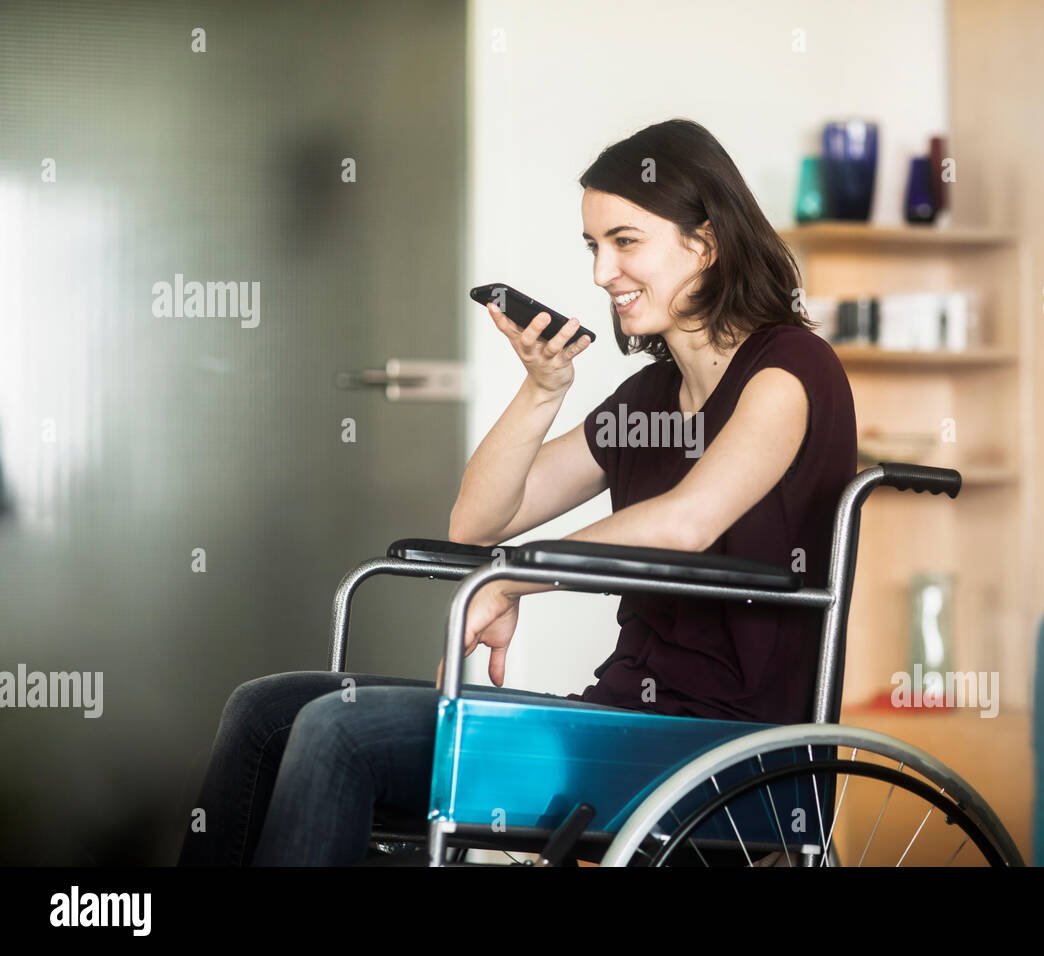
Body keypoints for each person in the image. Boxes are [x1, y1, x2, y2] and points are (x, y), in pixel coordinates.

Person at [177, 118, 856, 867]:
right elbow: (479, 520)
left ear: (705, 241)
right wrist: (542, 388)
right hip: (623, 724)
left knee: (341, 732)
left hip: (728, 752)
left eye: (625, 241)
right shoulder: (651, 397)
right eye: (595, 247)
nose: (603, 273)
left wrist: (509, 584)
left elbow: (685, 523)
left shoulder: (791, 369)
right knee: (268, 710)